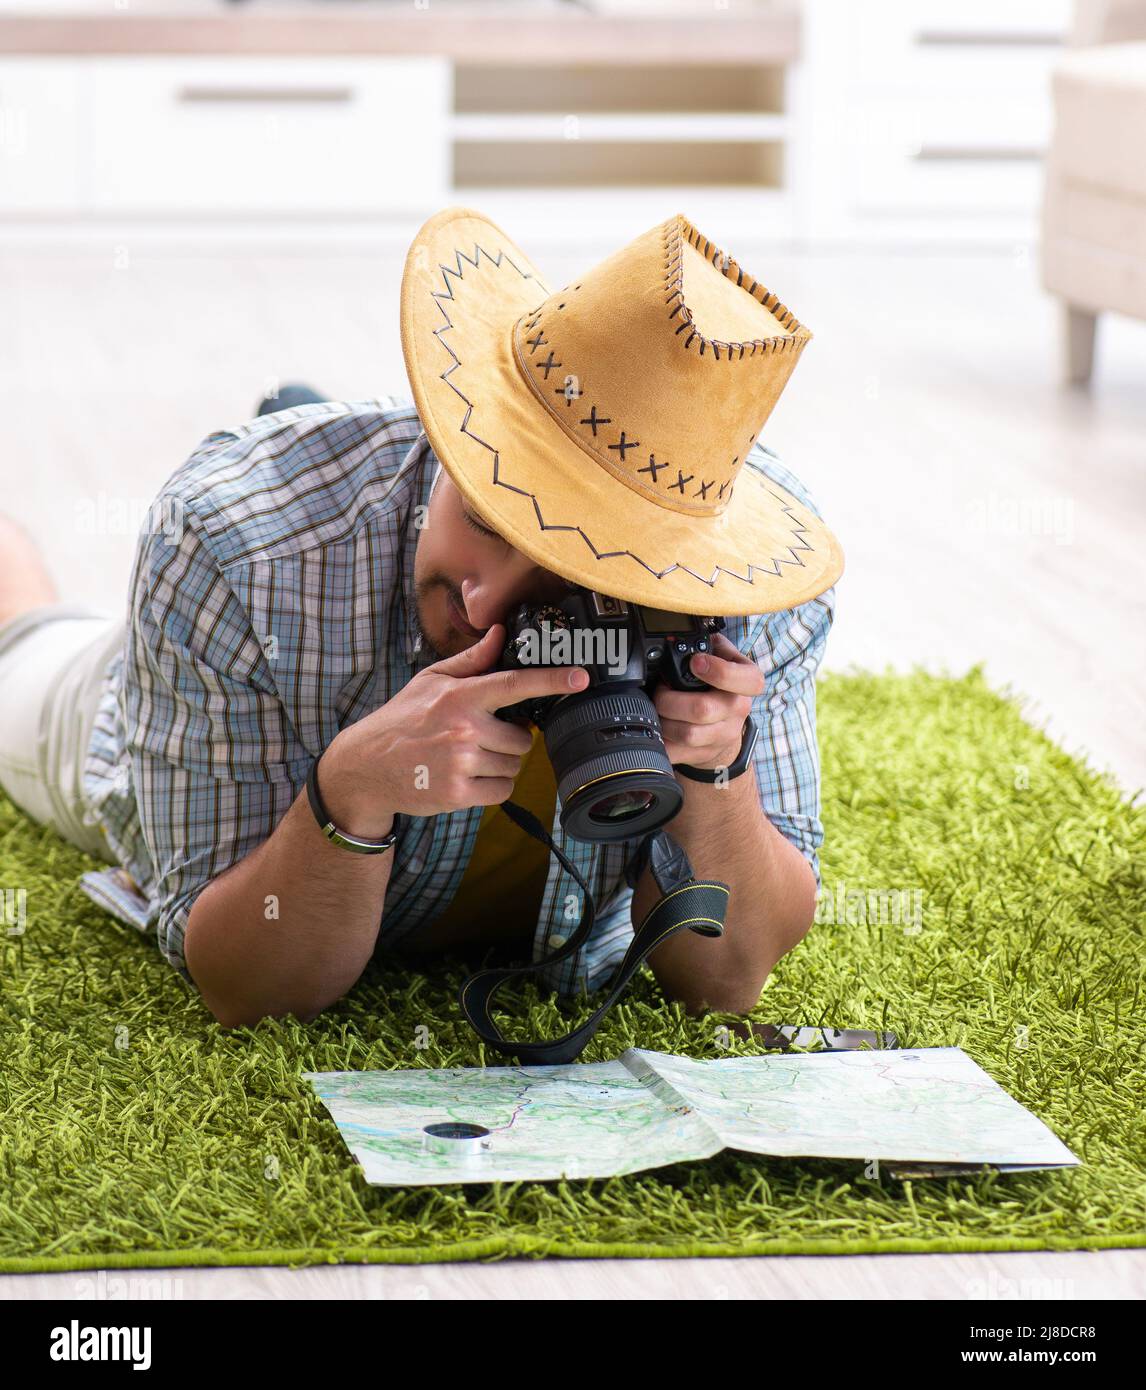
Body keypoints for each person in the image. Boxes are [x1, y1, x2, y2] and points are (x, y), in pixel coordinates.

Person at [0, 205, 843, 1032]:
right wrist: (348, 792)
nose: (481, 604)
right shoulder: (233, 542)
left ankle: (332, 429)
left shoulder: (737, 590)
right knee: (23, 644)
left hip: (357, 554)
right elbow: (245, 990)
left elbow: (728, 981)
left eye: (570, 585)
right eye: (485, 516)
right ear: (447, 444)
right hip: (176, 682)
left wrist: (716, 772)